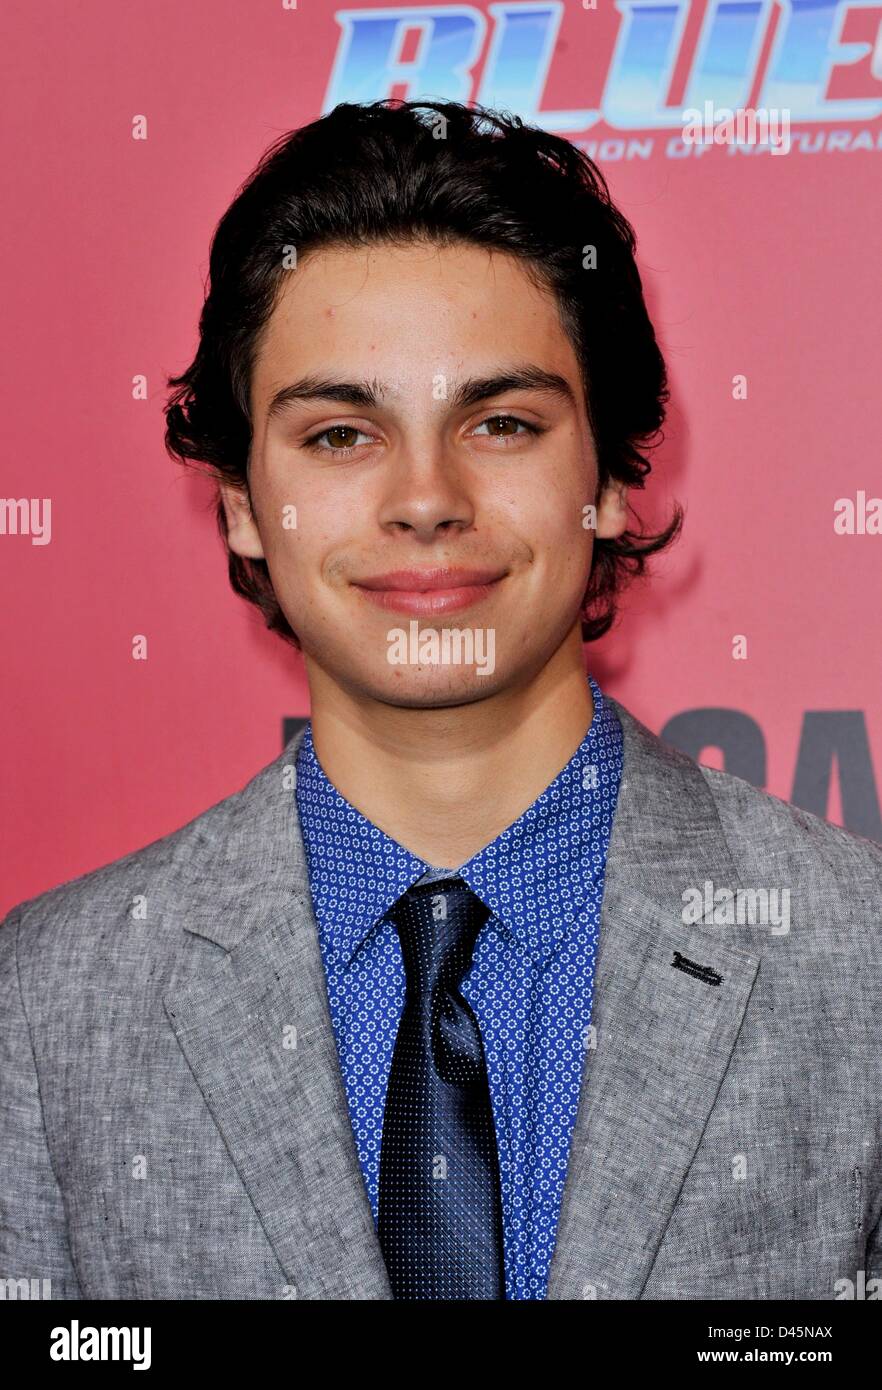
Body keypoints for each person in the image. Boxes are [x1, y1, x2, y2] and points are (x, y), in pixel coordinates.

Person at [2, 99, 880, 1302]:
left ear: (615, 477)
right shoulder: (46, 1010)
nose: (427, 497)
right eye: (342, 434)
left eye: (503, 422)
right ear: (244, 505)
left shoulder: (857, 962)